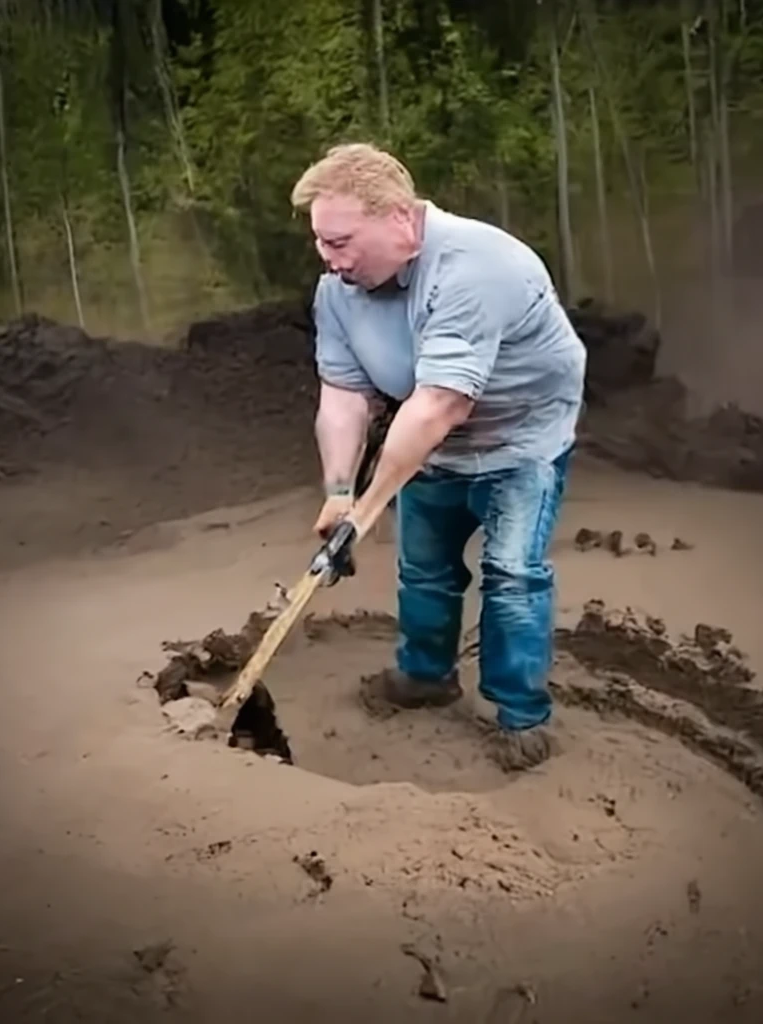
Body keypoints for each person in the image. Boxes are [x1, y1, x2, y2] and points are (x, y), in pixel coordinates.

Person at [290, 143, 587, 771]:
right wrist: (340, 491)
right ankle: (425, 676)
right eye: (321, 242)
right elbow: (343, 397)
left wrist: (366, 513)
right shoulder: (337, 293)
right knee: (424, 571)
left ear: (400, 218)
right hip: (430, 450)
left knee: (512, 574)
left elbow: (440, 404)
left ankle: (520, 715)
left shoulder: (476, 266)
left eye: (340, 242)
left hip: (520, 441)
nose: (328, 259)